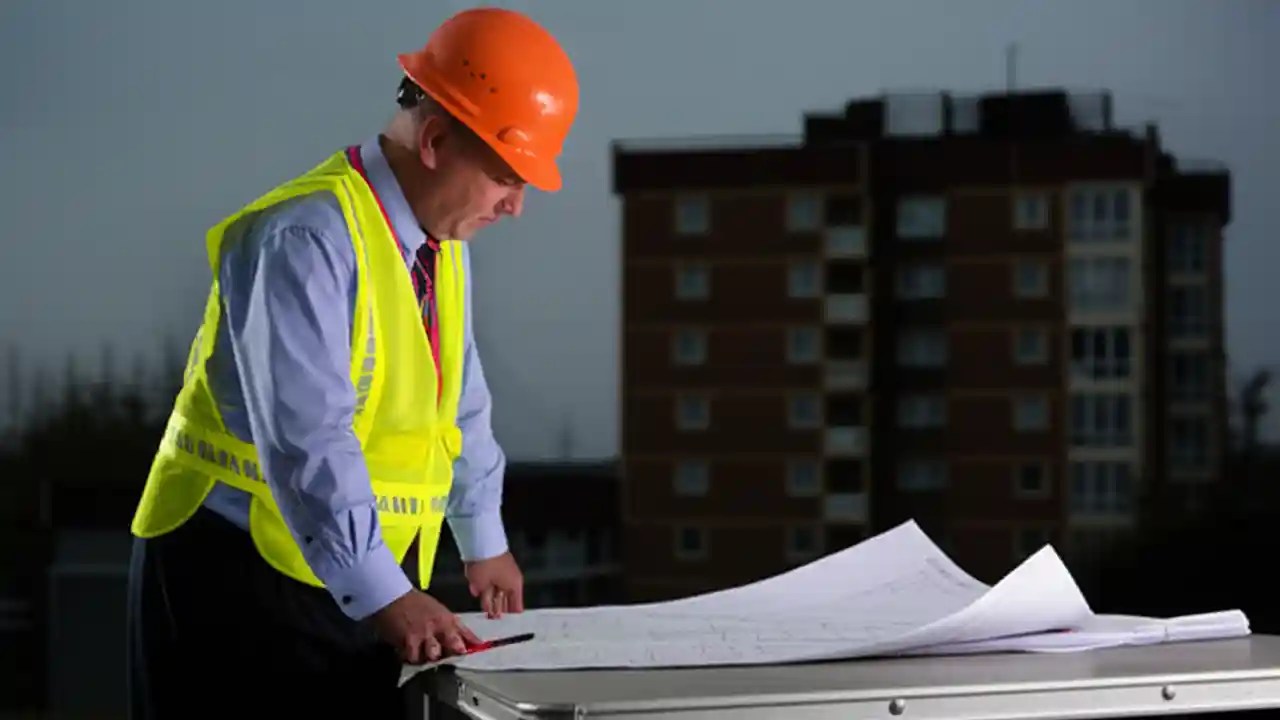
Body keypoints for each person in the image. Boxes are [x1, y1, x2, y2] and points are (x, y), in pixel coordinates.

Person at [124, 7, 579, 718]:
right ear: (433, 140)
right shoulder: (305, 240)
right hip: (242, 580)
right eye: (507, 178)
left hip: (344, 573)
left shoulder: (439, 247)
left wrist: (481, 535)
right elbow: (309, 440)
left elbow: (457, 400)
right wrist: (384, 592)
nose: (515, 207)